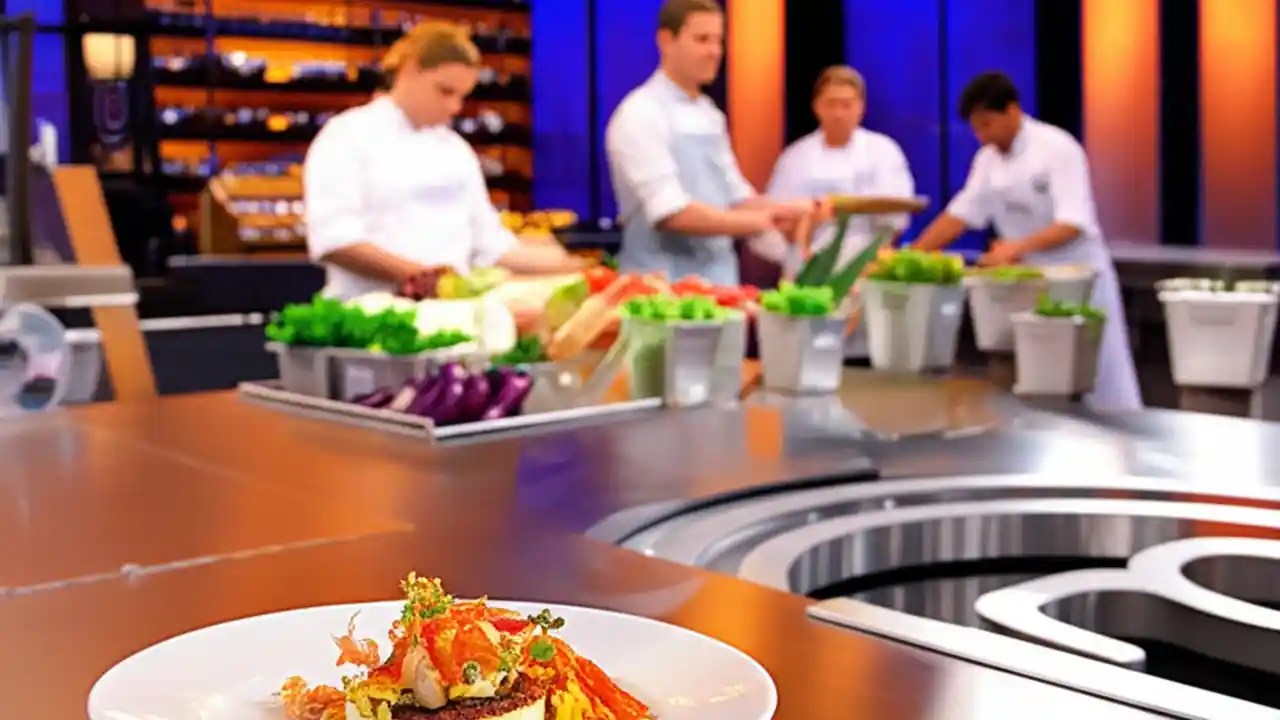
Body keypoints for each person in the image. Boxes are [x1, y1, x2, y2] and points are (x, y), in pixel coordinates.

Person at [912, 71, 1142, 412]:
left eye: (987, 124)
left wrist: (1015, 247)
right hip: (1027, 283)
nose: (981, 136)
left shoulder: (1057, 148)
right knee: (1038, 383)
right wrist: (912, 254)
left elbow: (1073, 222)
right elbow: (960, 214)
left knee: (1098, 376)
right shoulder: (987, 160)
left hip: (1077, 278)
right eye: (976, 128)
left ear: (1013, 111)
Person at [304, 22, 583, 300]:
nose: (454, 107)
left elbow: (489, 243)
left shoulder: (455, 149)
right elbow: (335, 240)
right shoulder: (346, 136)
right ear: (410, 70)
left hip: (449, 313)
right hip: (367, 314)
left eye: (462, 96)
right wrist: (426, 278)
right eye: (445, 91)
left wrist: (574, 267)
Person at [605, 0, 813, 286]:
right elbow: (671, 214)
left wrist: (787, 211)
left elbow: (736, 197)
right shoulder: (640, 113)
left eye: (718, 41)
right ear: (666, 40)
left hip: (722, 289)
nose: (715, 52)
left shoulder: (710, 115)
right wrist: (764, 222)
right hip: (657, 294)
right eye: (702, 40)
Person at [766, 65, 915, 360]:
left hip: (865, 269)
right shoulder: (796, 156)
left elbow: (896, 217)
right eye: (830, 104)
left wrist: (874, 260)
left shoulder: (883, 151)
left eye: (846, 104)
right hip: (809, 269)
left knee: (865, 358)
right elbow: (777, 215)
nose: (838, 113)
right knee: (811, 355)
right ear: (816, 107)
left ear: (861, 107)